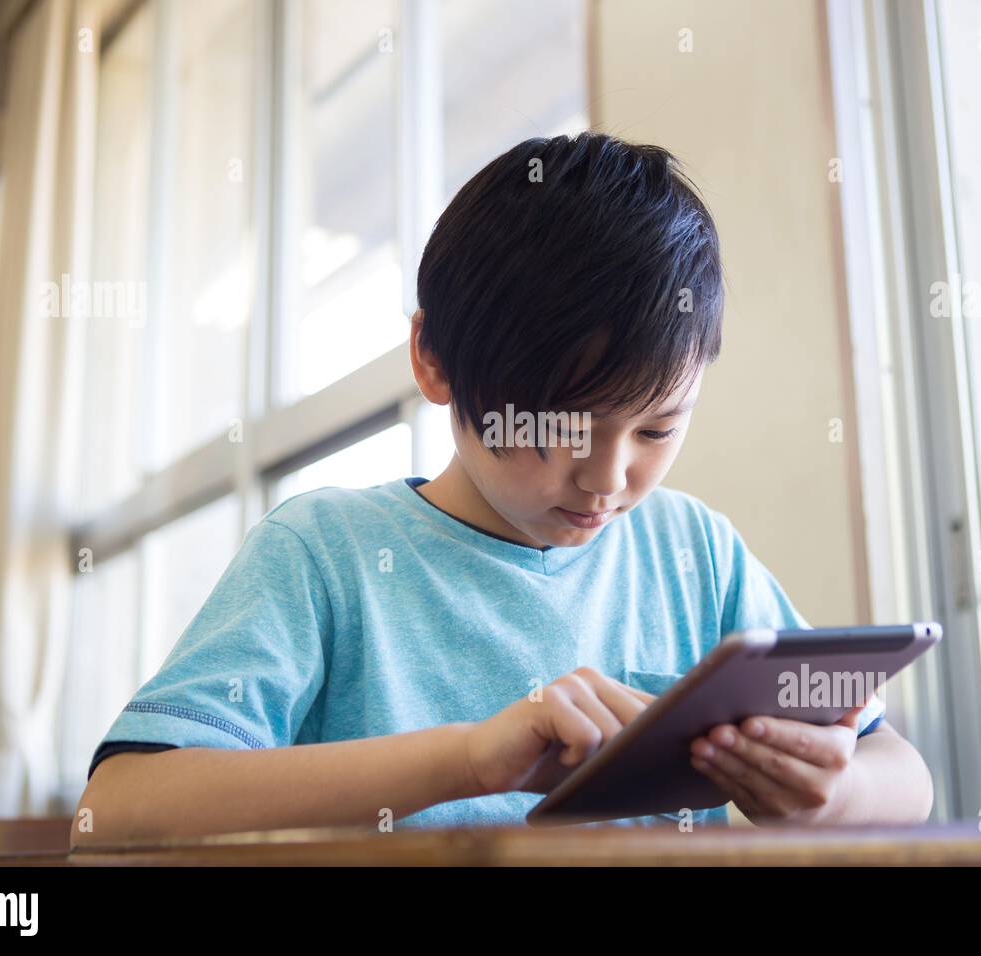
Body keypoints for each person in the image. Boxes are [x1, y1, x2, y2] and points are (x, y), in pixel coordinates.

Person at [72, 132, 933, 847]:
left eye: (659, 430)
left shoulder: (694, 555)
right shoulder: (323, 553)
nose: (607, 478)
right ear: (434, 361)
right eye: (558, 431)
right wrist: (469, 760)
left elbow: (906, 777)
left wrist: (826, 794)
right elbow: (114, 813)